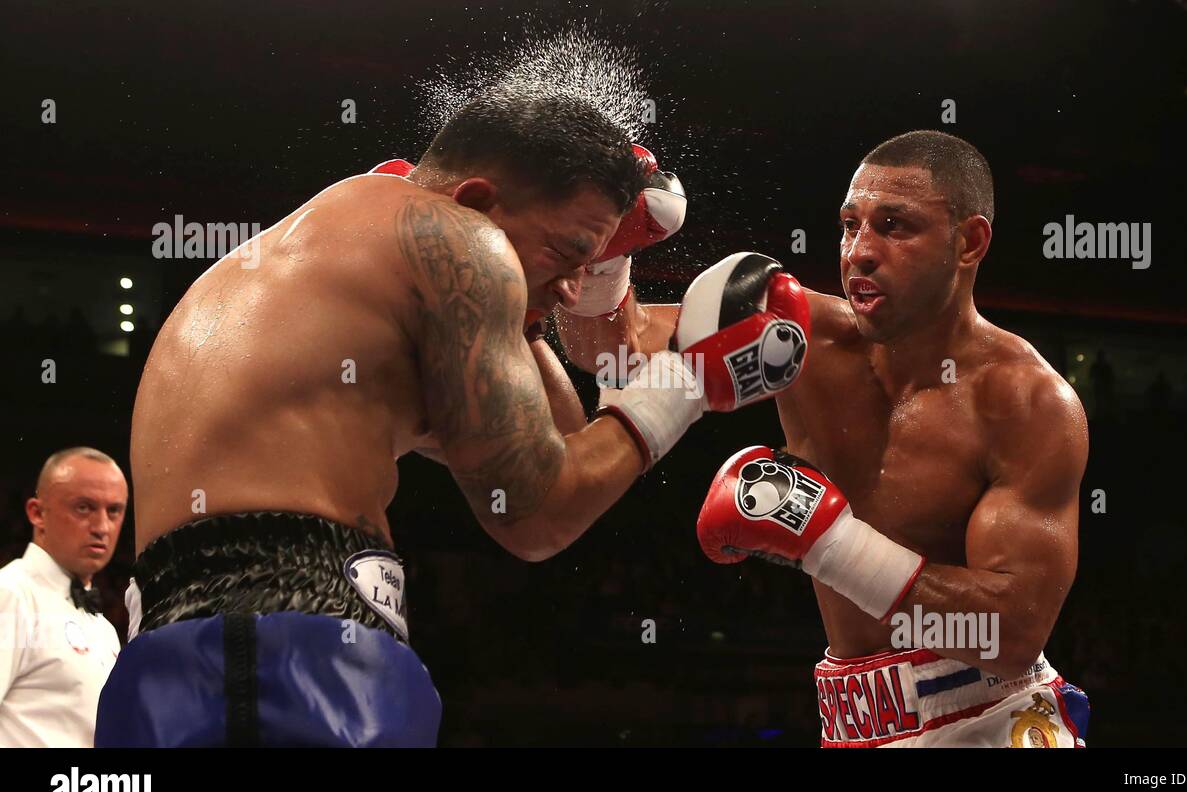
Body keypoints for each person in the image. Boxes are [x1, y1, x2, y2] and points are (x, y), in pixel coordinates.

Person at [98, 90, 809, 747]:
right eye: (567, 252)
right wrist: (684, 382)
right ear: (475, 200)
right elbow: (536, 512)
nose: (569, 288)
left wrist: (551, 302)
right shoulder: (457, 238)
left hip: (186, 655)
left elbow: (557, 446)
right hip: (282, 654)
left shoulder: (338, 251)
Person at [565, 130, 1091, 748]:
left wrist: (826, 541)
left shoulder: (1026, 402)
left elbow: (1009, 637)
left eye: (894, 225)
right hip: (851, 723)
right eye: (849, 225)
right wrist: (603, 252)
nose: (859, 253)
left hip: (992, 722)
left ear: (969, 242)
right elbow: (612, 354)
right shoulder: (798, 332)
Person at [0, 447, 125, 747]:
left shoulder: (103, 627)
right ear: (37, 513)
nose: (102, 527)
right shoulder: (11, 594)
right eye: (84, 508)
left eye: (114, 511)